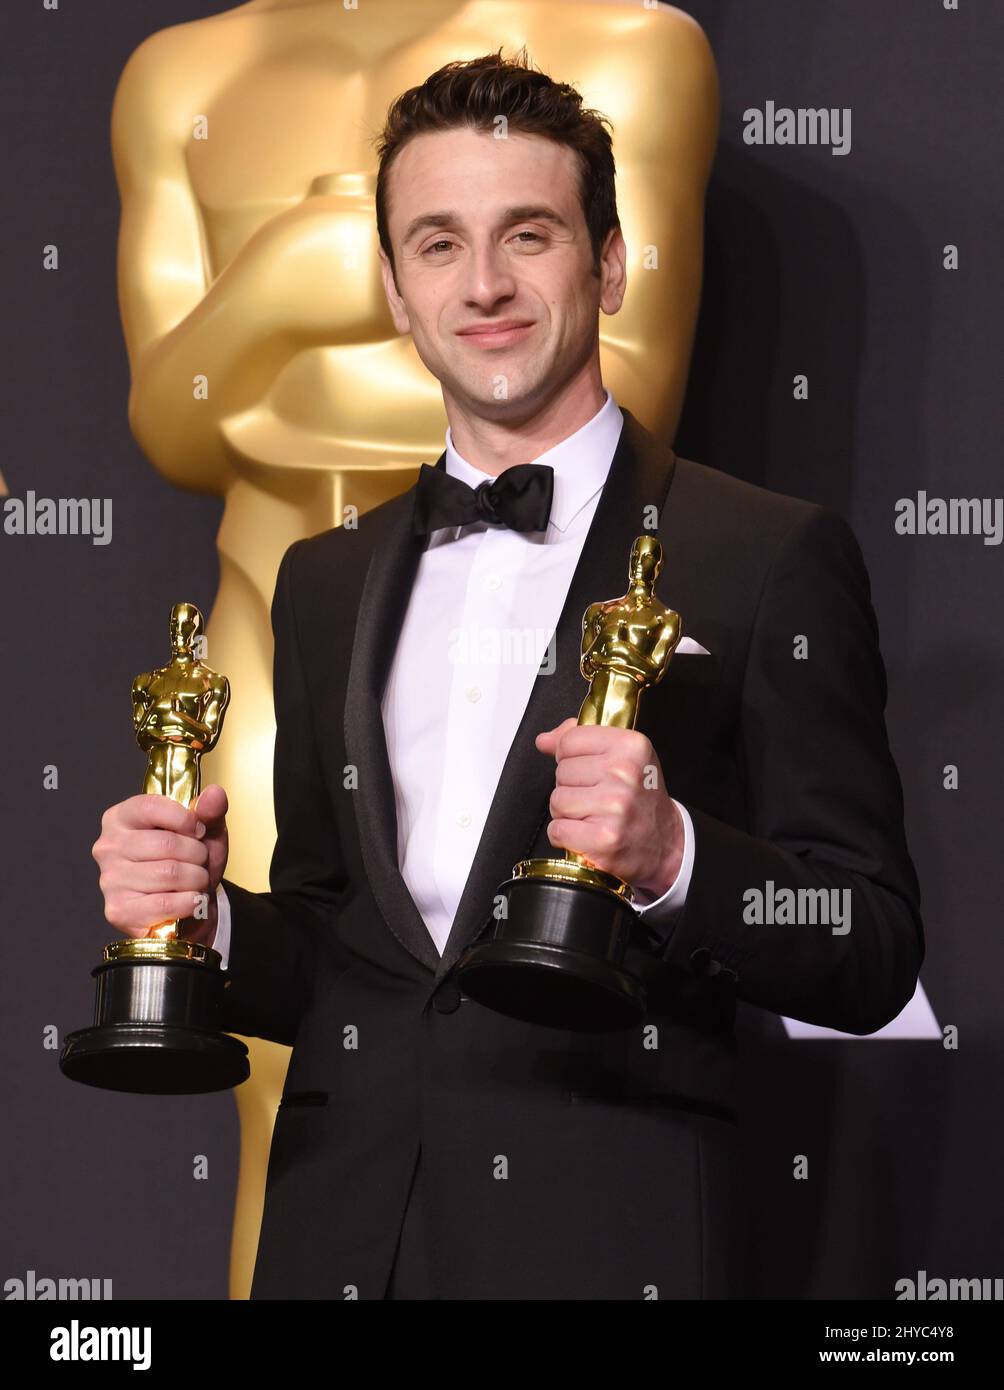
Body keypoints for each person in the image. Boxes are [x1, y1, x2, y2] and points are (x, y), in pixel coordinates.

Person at [91, 52, 923, 1300]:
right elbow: (340, 957)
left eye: (525, 235)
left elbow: (866, 946)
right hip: (338, 1235)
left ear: (609, 262)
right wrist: (199, 917)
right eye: (436, 243)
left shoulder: (764, 556)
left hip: (604, 1239)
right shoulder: (324, 580)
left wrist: (674, 858)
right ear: (391, 286)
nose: (482, 284)